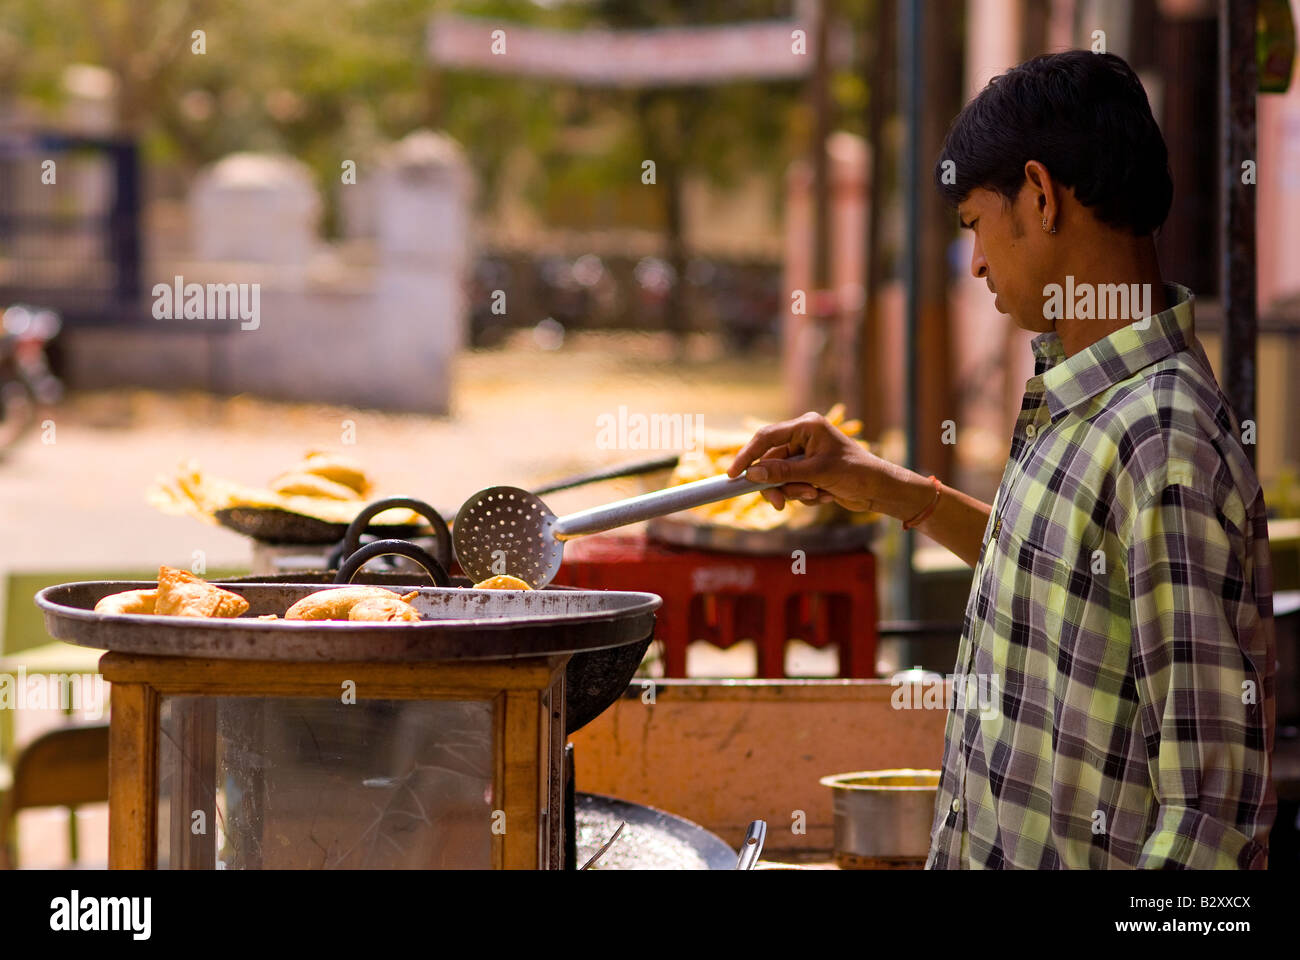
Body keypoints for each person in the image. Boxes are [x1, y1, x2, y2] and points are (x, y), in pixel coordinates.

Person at [728, 50, 1275, 869]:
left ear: (1042, 196)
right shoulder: (1078, 391)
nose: (977, 262)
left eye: (977, 224)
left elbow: (1210, 826)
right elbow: (1056, 582)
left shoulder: (1164, 441)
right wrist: (878, 483)